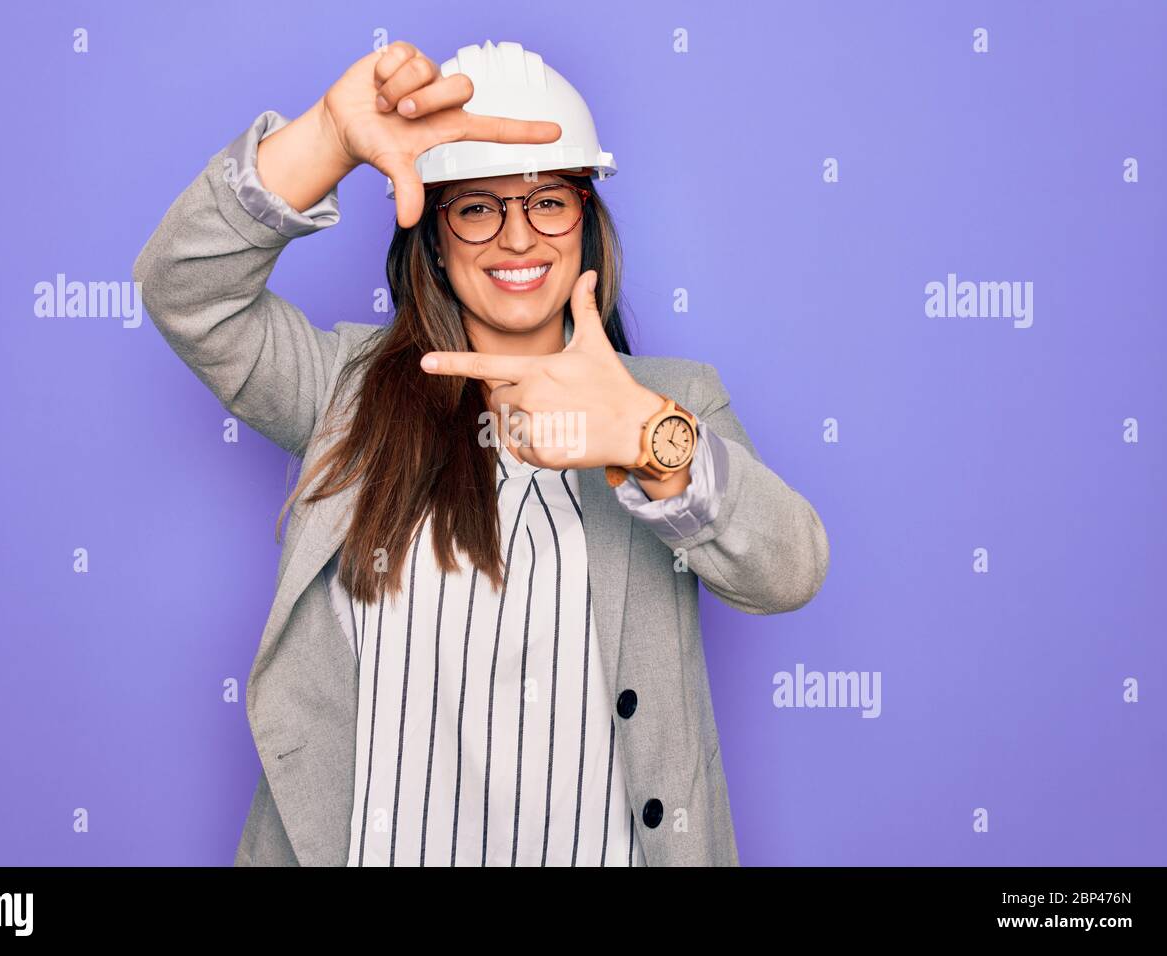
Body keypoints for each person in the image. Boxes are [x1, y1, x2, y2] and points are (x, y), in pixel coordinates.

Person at [133, 39, 830, 867]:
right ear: (433, 236)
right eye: (476, 207)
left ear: (586, 222)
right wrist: (327, 133)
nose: (516, 237)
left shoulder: (675, 397)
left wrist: (649, 437)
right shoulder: (341, 392)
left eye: (547, 202)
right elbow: (184, 289)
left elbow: (790, 573)